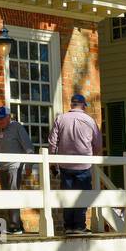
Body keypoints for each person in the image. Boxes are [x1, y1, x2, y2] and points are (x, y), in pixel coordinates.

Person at [47, 92, 102, 232]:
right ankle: (79, 225)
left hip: (65, 165)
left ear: (71, 104)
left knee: (67, 195)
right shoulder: (90, 121)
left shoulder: (60, 119)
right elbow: (98, 144)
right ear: (83, 105)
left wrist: (53, 162)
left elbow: (52, 143)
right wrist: (92, 156)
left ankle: (68, 226)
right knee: (82, 195)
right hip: (84, 165)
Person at [0, 105, 33, 235]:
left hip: (15, 166)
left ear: (9, 117)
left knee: (13, 195)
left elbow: (29, 147)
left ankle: (15, 227)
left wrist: (29, 166)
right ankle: (15, 224)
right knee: (6, 197)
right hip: (2, 167)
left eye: (2, 119)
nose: (0, 122)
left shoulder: (17, 127)